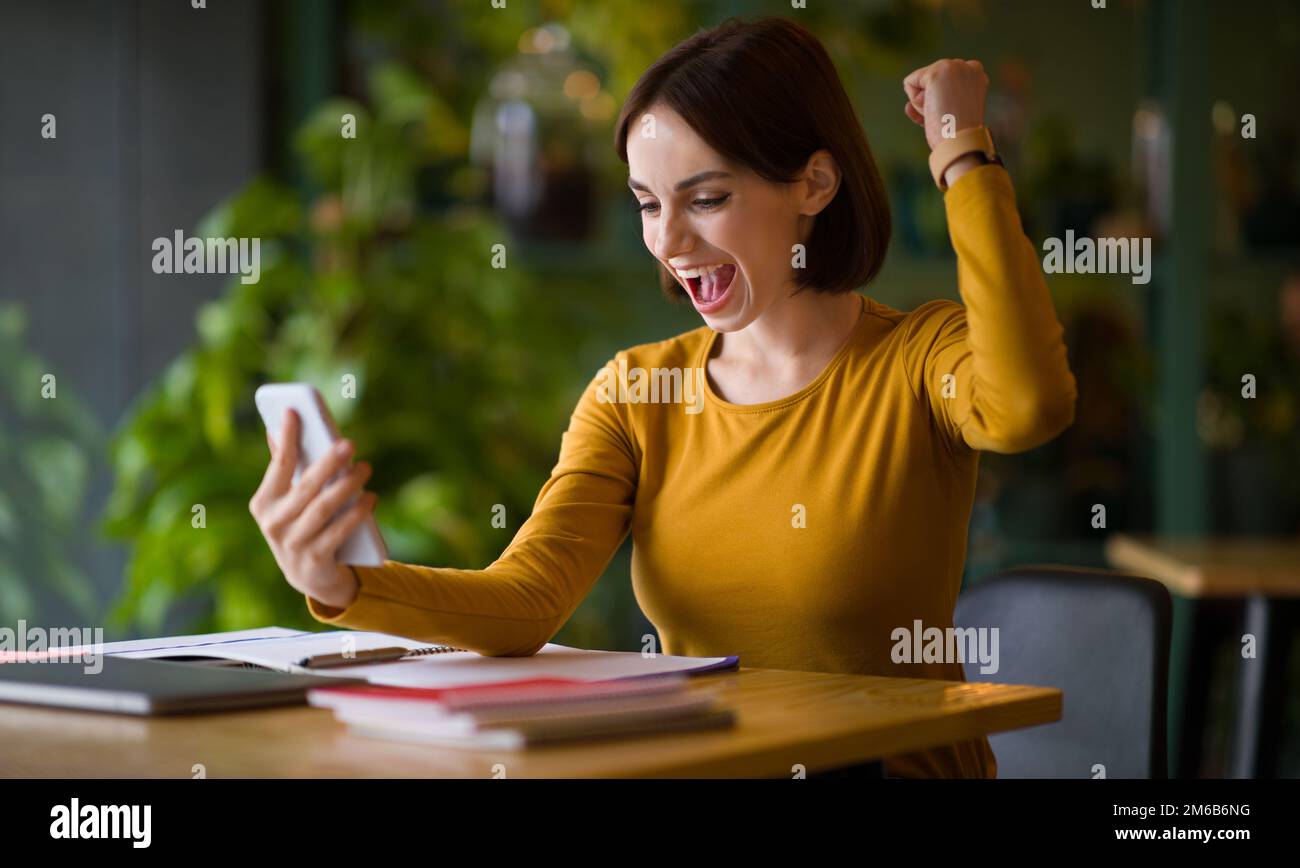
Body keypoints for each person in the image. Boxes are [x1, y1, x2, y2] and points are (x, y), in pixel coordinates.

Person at [248, 17, 1077, 778]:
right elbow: (525, 601)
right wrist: (349, 581)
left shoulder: (916, 360)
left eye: (706, 199)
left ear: (815, 185)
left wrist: (961, 152)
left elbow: (1029, 403)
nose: (670, 243)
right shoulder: (638, 391)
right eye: (649, 204)